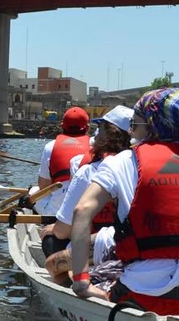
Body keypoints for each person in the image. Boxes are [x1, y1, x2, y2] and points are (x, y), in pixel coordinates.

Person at [50, 87, 179, 315]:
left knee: (91, 275)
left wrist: (82, 282)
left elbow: (82, 210)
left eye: (135, 124)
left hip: (141, 298)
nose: (131, 131)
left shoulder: (122, 161)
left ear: (152, 126)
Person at [38, 105, 133, 285]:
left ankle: (67, 286)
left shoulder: (87, 171)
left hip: (101, 248)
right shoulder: (140, 170)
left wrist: (53, 229)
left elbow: (63, 231)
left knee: (51, 239)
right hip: (131, 246)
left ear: (104, 136)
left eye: (101, 128)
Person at [35, 107, 93, 213]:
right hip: (86, 211)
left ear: (62, 126)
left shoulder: (50, 147)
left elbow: (43, 186)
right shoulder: (95, 147)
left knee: (34, 192)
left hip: (57, 211)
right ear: (88, 128)